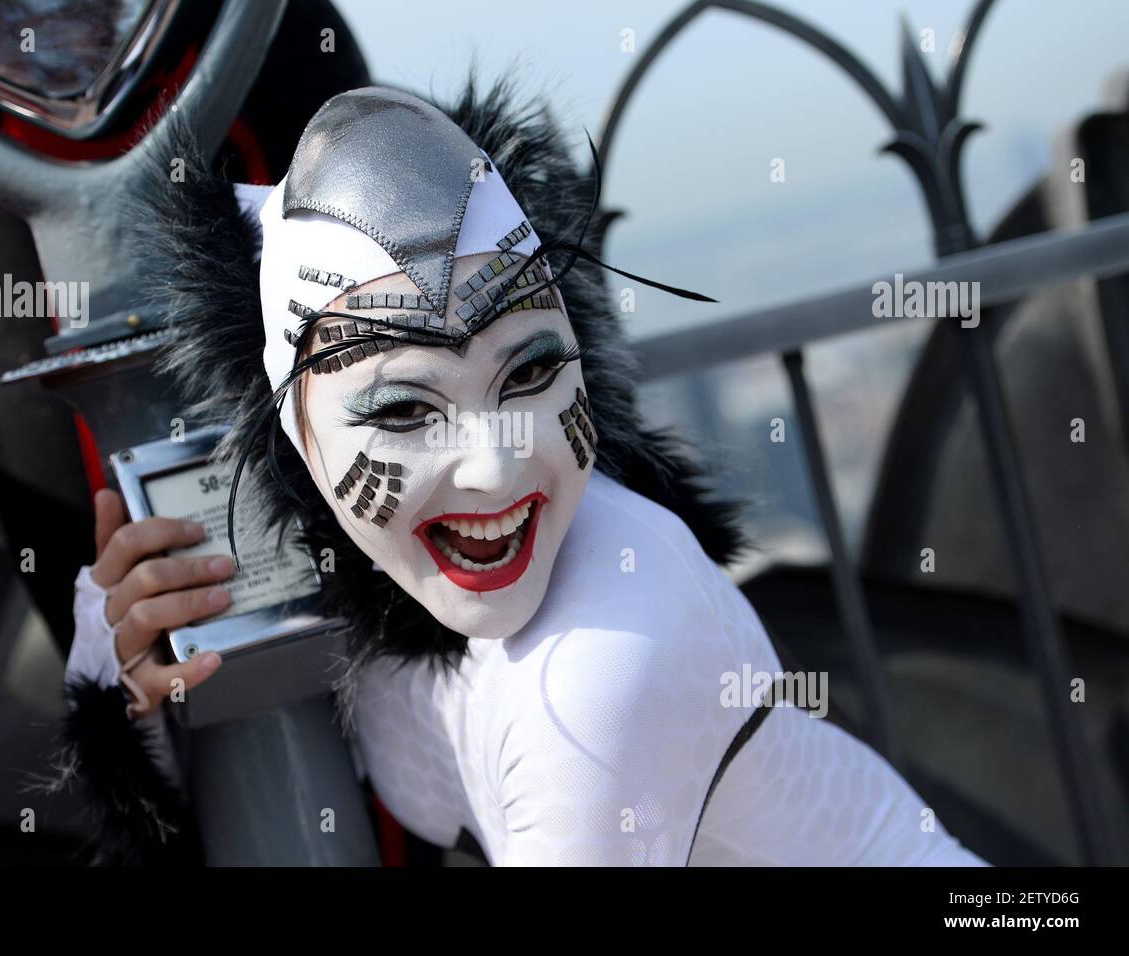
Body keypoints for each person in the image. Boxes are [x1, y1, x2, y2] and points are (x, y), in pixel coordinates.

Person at [54, 78, 987, 867]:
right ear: (296, 434)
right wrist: (121, 671)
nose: (496, 463)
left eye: (531, 373)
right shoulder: (355, 571)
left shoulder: (603, 652)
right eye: (405, 410)